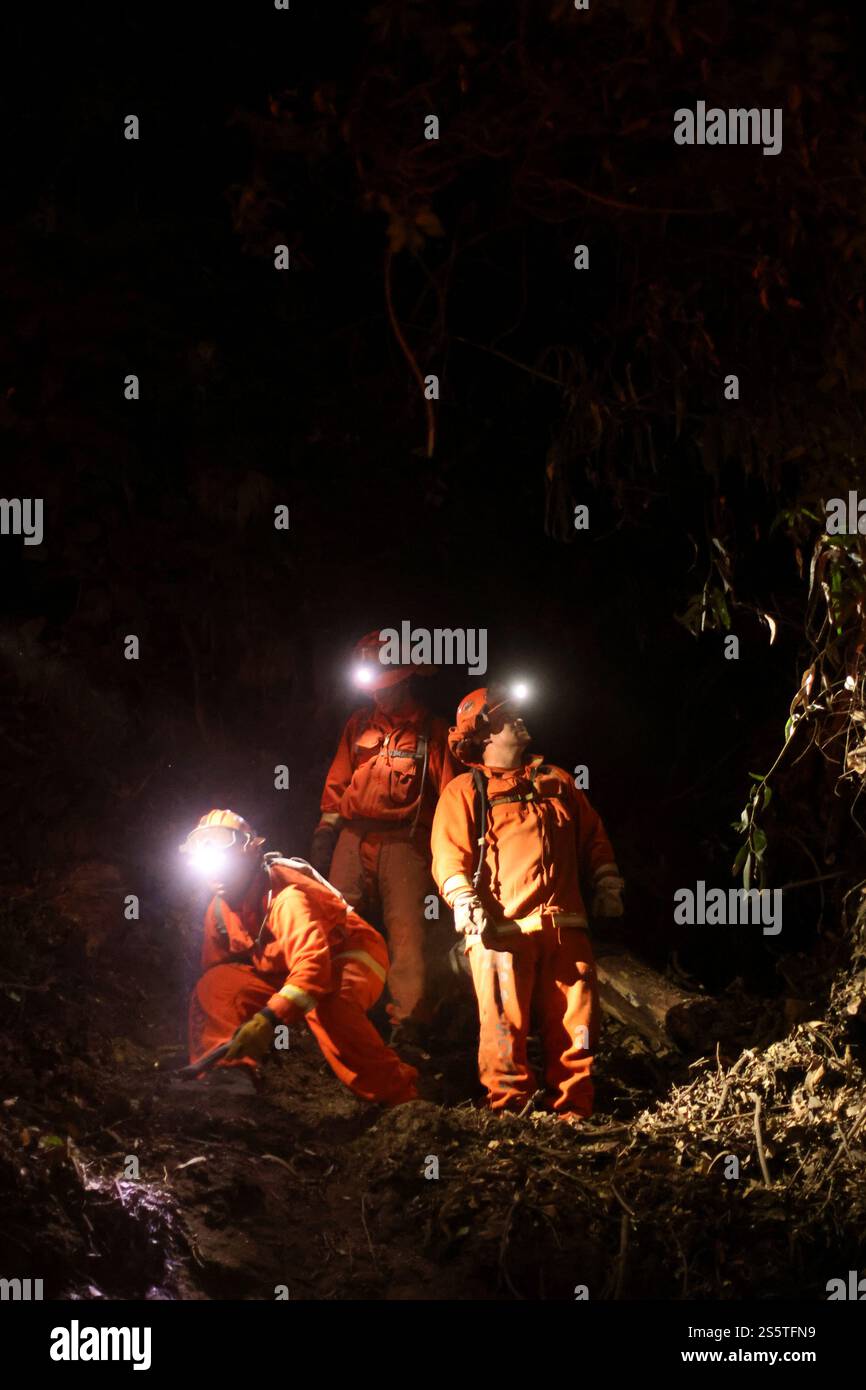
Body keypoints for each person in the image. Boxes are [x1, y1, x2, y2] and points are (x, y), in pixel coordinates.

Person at [430, 688, 624, 1123]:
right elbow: (448, 854)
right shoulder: (465, 790)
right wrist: (462, 899)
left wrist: (607, 879)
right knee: (502, 1028)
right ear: (483, 735)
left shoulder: (557, 779)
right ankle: (509, 1113)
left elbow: (593, 834)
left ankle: (574, 1113)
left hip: (565, 925)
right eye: (505, 716)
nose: (517, 718)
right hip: (501, 931)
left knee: (578, 1028)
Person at [179, 809, 419, 1104]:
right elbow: (221, 979)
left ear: (250, 852)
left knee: (332, 1007)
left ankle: (399, 1095)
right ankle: (225, 1078)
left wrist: (267, 1020)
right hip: (287, 965)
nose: (217, 877)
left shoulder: (287, 897)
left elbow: (313, 968)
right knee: (215, 985)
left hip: (347, 953)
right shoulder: (219, 910)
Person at [309, 630, 460, 1039]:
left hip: (405, 840)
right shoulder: (358, 724)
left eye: (385, 687)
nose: (377, 696)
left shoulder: (432, 730)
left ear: (405, 680)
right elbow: (338, 783)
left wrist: (450, 855)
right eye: (373, 687)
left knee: (408, 934)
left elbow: (451, 800)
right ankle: (334, 1015)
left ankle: (409, 1023)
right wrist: (326, 832)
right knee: (337, 925)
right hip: (353, 838)